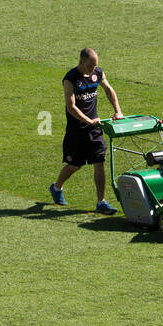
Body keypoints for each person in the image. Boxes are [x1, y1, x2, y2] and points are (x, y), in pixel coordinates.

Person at [49, 48, 122, 213]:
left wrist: (118, 110)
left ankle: (101, 202)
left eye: (95, 65)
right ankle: (57, 187)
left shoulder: (97, 73)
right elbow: (71, 107)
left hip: (94, 129)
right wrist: (89, 121)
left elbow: (109, 90)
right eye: (90, 66)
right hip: (77, 130)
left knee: (99, 161)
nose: (92, 69)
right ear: (81, 61)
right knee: (75, 165)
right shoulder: (70, 79)